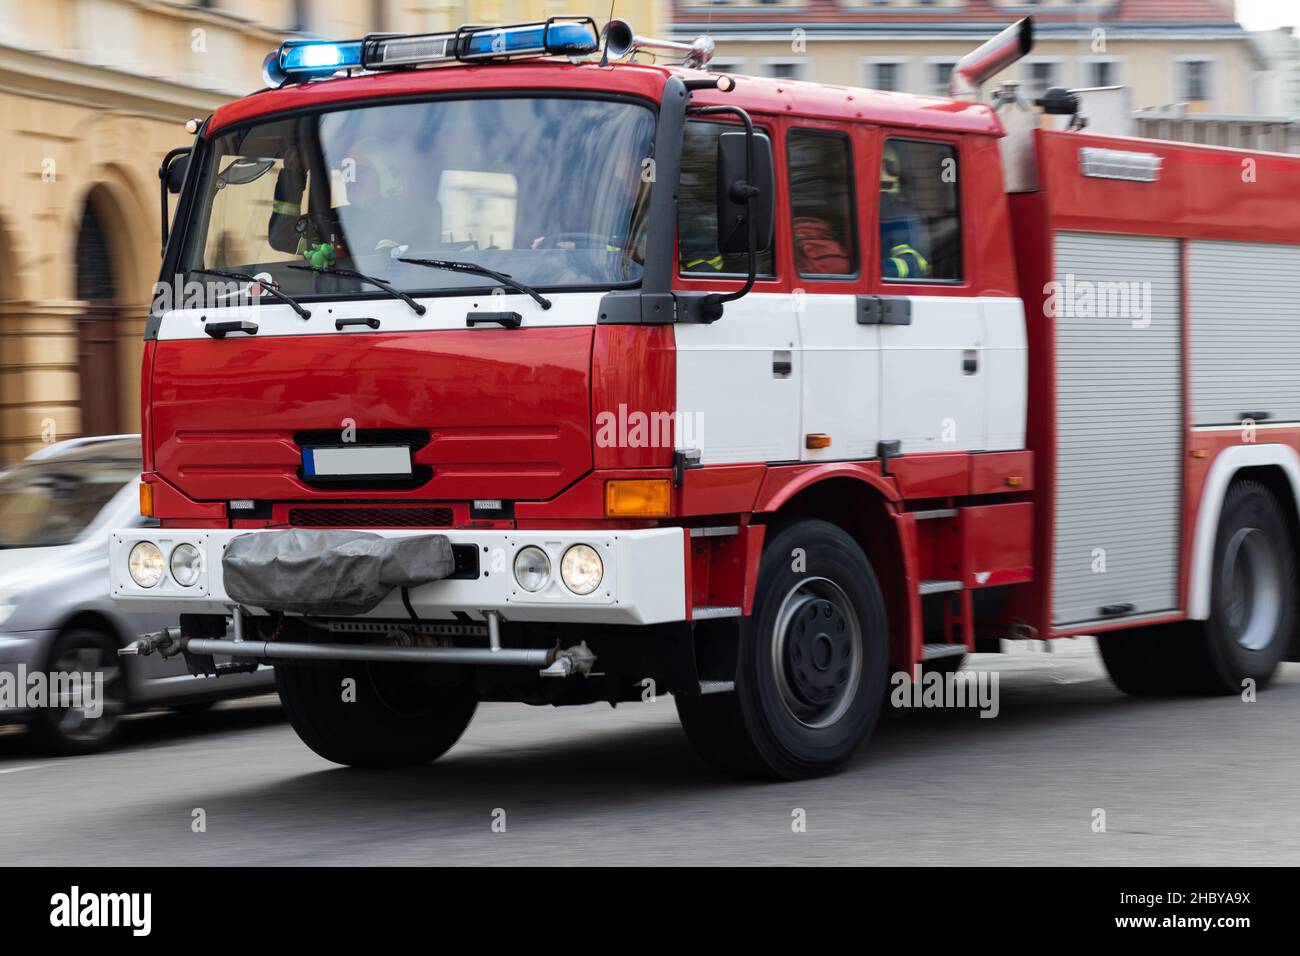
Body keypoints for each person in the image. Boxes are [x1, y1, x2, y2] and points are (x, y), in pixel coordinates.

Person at [879, 142, 931, 281]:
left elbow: (915, 264)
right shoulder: (858, 209)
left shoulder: (902, 217)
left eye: (890, 166)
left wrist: (876, 269)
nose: (885, 171)